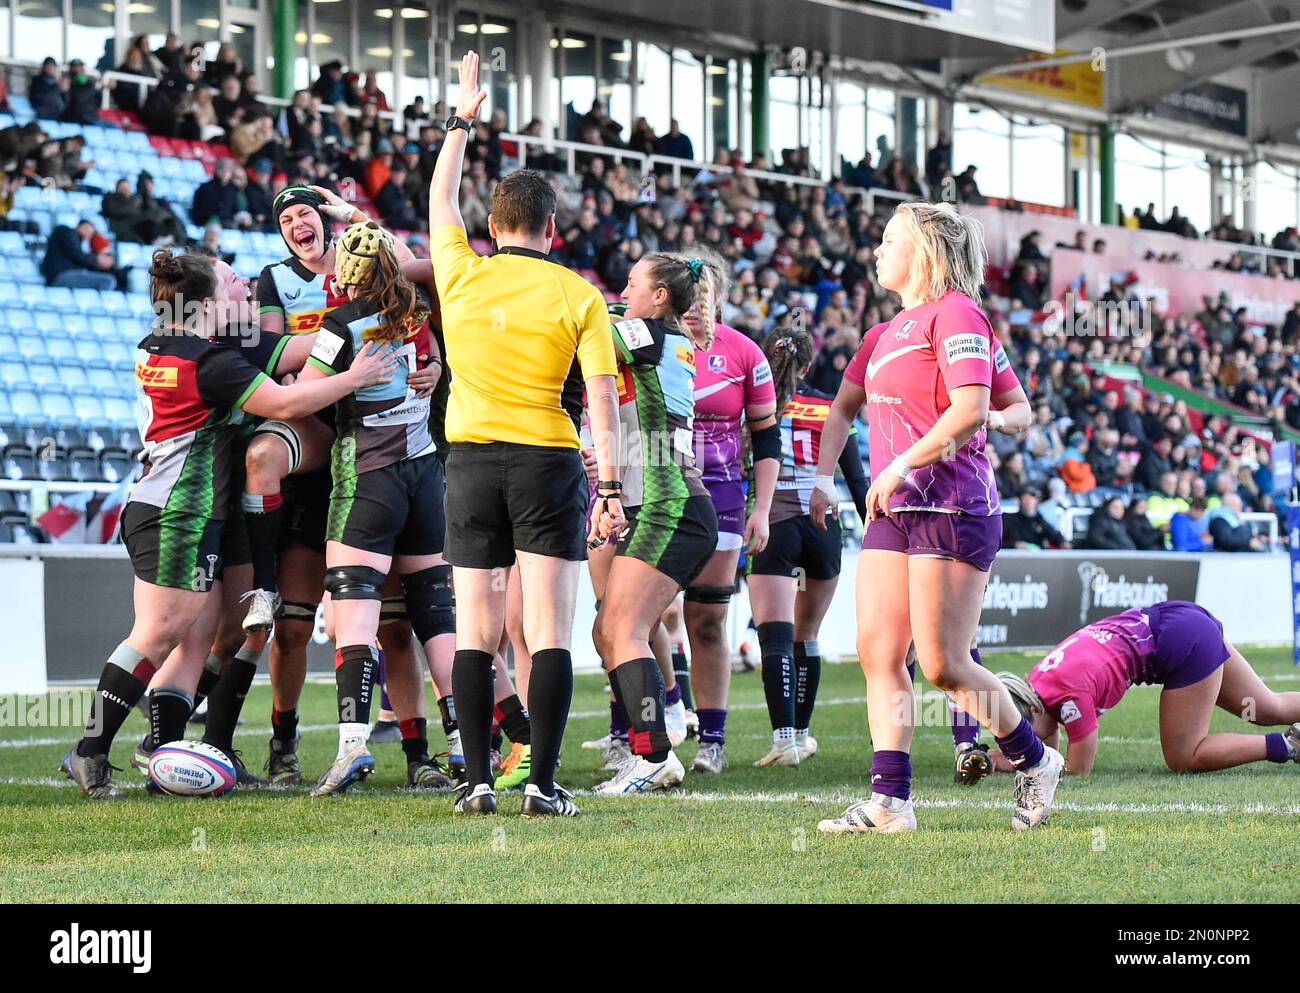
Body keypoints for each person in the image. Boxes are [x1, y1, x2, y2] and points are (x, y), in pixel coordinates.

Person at [61, 250, 394, 798]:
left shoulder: (178, 342)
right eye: (232, 277)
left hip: (192, 509)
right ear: (210, 300)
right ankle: (89, 750)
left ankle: (161, 758)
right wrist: (354, 376)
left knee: (199, 638)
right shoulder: (210, 363)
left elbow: (298, 346)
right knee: (160, 633)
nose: (244, 280)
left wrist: (362, 300)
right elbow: (284, 404)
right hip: (175, 512)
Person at [808, 200, 1064, 834]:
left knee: (945, 664)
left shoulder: (958, 313)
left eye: (889, 239)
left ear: (922, 249)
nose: (877, 251)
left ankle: (1035, 760)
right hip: (895, 511)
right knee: (877, 651)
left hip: (952, 503)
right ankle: (890, 802)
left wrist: (897, 466)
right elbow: (840, 410)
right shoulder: (880, 334)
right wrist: (821, 479)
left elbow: (980, 407)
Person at [429, 51, 623, 817]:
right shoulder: (579, 293)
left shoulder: (459, 271)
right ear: (551, 227)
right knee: (547, 632)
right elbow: (602, 402)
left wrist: (461, 120)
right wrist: (611, 487)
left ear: (490, 225)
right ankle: (542, 785)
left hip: (469, 460)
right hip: (546, 460)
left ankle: (478, 781)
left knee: (476, 630)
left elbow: (440, 193)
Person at [292, 222, 455, 795]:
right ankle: (458, 744)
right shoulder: (417, 311)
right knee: (435, 612)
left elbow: (302, 397)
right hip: (425, 476)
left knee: (355, 615)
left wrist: (343, 388)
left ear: (346, 273)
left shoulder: (341, 324)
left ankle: (352, 747)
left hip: (368, 477)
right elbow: (433, 370)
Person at [590, 255, 721, 795]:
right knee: (610, 630)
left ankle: (653, 754)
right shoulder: (665, 338)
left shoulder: (644, 334)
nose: (622, 291)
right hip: (666, 505)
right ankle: (651, 745)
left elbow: (580, 335)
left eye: (631, 284)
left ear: (660, 296)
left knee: (621, 630)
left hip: (672, 505)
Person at [677, 250, 780, 775]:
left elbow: (766, 440)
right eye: (687, 299)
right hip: (653, 497)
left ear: (719, 299)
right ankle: (642, 732)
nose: (695, 309)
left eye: (704, 299)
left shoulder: (744, 354)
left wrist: (761, 509)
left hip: (720, 501)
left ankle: (711, 741)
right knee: (633, 617)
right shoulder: (652, 345)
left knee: (709, 621)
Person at [747, 327, 867, 767]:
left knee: (774, 636)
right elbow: (855, 477)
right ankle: (802, 733)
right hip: (823, 526)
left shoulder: (761, 404)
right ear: (810, 365)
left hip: (773, 522)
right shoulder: (830, 407)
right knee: (807, 637)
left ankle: (785, 742)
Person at [996, 603, 1300, 776]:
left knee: (1184, 756)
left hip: (1180, 641)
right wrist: (1018, 757)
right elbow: (1048, 737)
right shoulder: (1038, 681)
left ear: (1034, 708)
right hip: (1180, 619)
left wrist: (1033, 768)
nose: (1028, 740)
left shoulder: (1068, 696)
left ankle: (1288, 746)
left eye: (1025, 734)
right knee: (1267, 708)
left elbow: (1078, 770)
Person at [41, 220, 116, 291]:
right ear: (81, 226)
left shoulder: (76, 240)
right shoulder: (65, 231)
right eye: (88, 229)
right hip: (60, 275)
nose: (89, 234)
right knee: (107, 281)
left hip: (65, 274)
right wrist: (97, 260)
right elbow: (76, 255)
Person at [1001, 487, 1067, 549]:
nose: (1028, 501)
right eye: (1025, 498)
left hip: (1036, 558)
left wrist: (1063, 543)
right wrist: (1015, 545)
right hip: (1012, 557)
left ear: (1037, 501)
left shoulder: (1040, 521)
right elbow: (998, 542)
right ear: (1020, 500)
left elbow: (1055, 537)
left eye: (1031, 498)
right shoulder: (1008, 519)